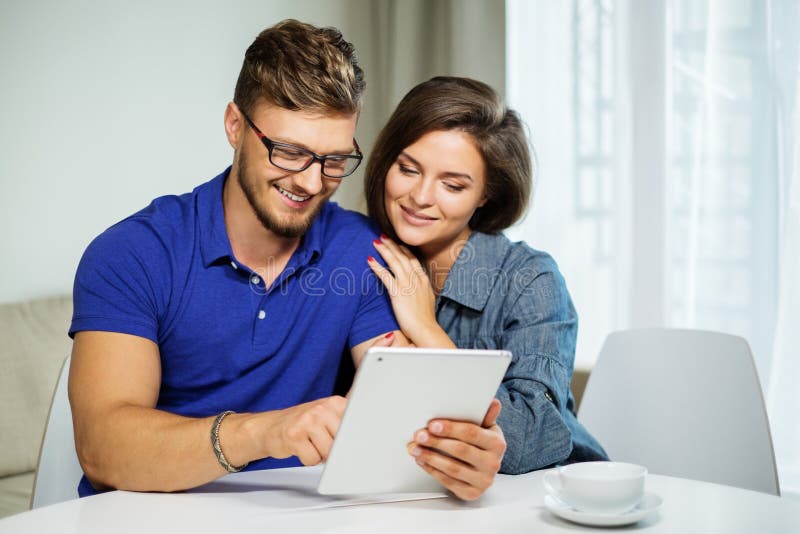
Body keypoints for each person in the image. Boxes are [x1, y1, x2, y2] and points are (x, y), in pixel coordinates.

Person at [68, 22, 503, 501]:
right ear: (235, 126)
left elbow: (405, 411)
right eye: (290, 152)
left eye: (335, 160)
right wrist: (264, 433)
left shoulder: (360, 251)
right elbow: (102, 449)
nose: (312, 183)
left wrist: (460, 454)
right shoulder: (134, 253)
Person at [364, 76, 608, 475]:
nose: (421, 197)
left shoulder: (529, 280)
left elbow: (533, 440)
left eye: (453, 185)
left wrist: (427, 331)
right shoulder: (359, 258)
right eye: (408, 169)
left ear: (485, 194)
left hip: (549, 498)